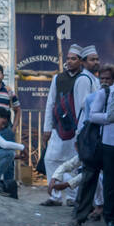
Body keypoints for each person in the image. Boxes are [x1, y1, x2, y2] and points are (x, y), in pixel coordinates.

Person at [41, 44, 96, 199]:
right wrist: (46, 128)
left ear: (81, 61)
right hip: (58, 127)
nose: (70, 61)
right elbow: (50, 103)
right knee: (50, 159)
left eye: (74, 59)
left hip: (78, 129)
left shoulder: (85, 79)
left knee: (72, 163)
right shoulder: (57, 78)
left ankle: (72, 198)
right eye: (68, 58)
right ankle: (55, 196)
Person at [71, 64, 113, 224]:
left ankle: (106, 214)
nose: (104, 81)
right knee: (88, 179)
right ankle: (79, 215)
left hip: (109, 143)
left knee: (108, 182)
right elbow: (86, 120)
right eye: (102, 78)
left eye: (108, 79)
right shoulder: (92, 98)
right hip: (93, 144)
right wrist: (79, 139)